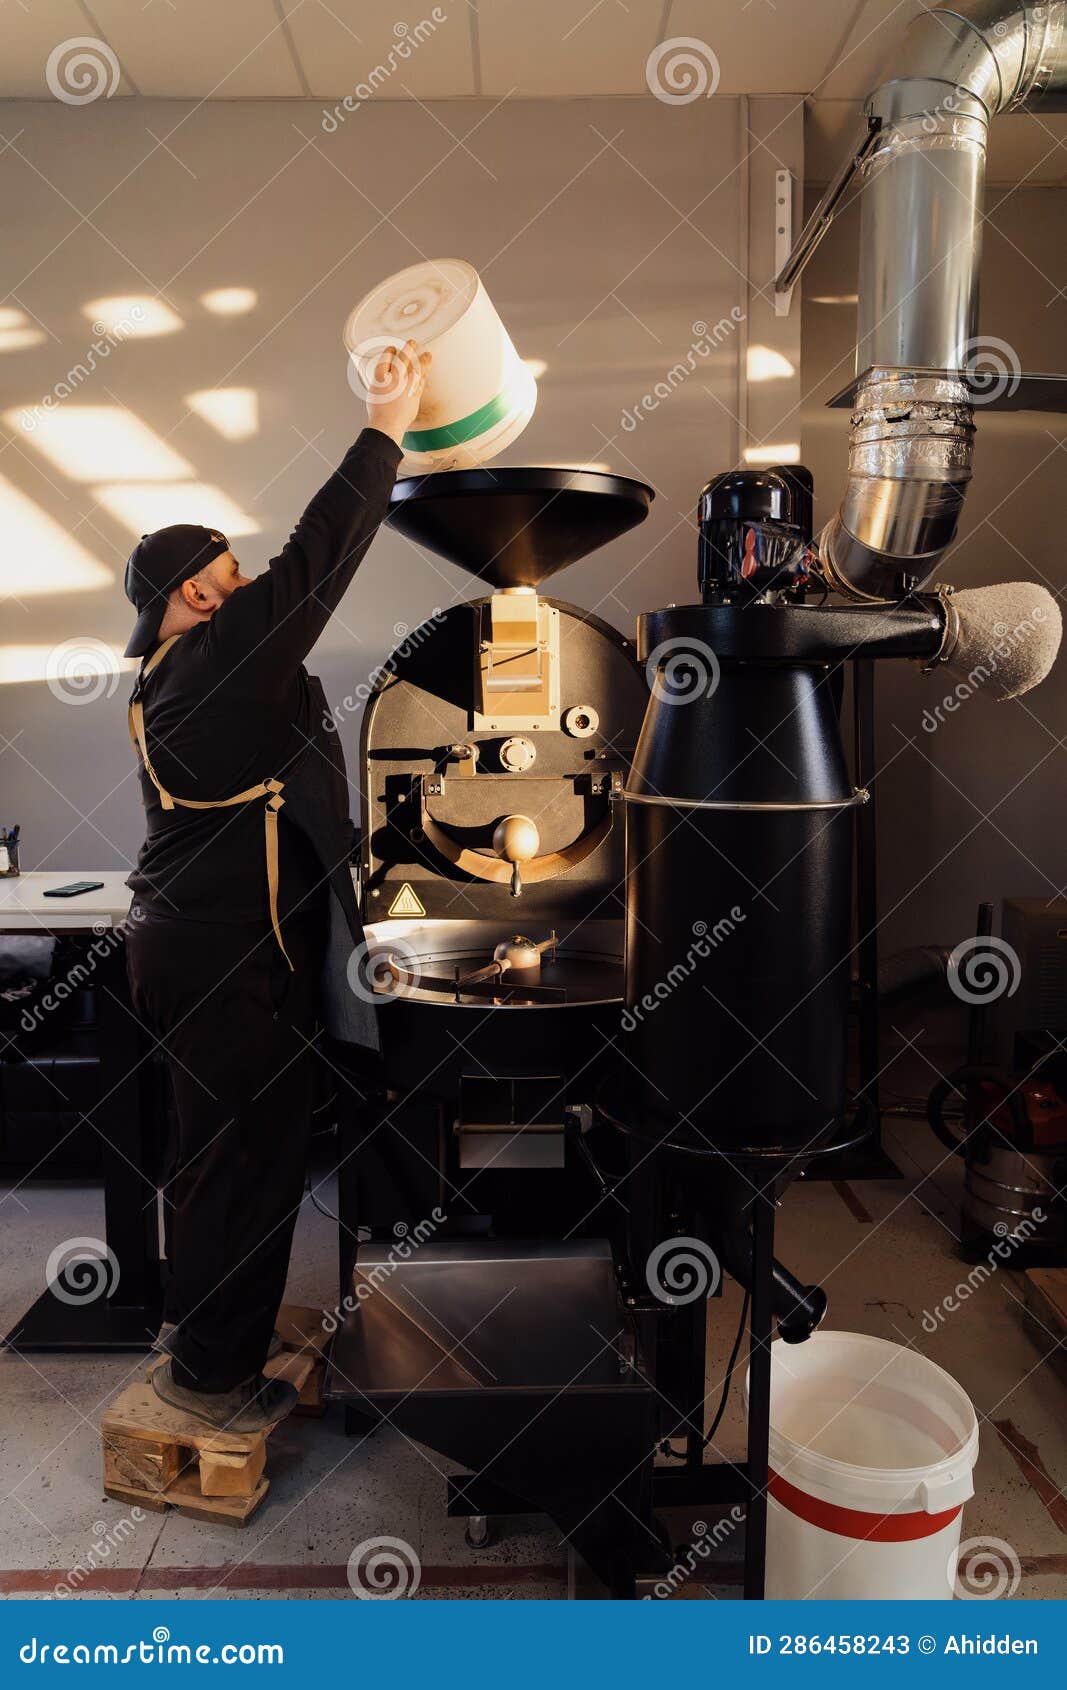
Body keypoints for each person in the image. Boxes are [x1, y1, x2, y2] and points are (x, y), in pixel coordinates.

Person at [122, 340, 430, 1431]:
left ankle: (212, 1341)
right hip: (221, 965)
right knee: (237, 1162)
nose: (248, 587)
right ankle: (209, 1375)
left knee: (235, 1155)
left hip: (224, 951)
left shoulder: (187, 677)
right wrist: (384, 425)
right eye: (229, 576)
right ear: (195, 590)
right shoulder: (205, 666)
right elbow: (315, 563)